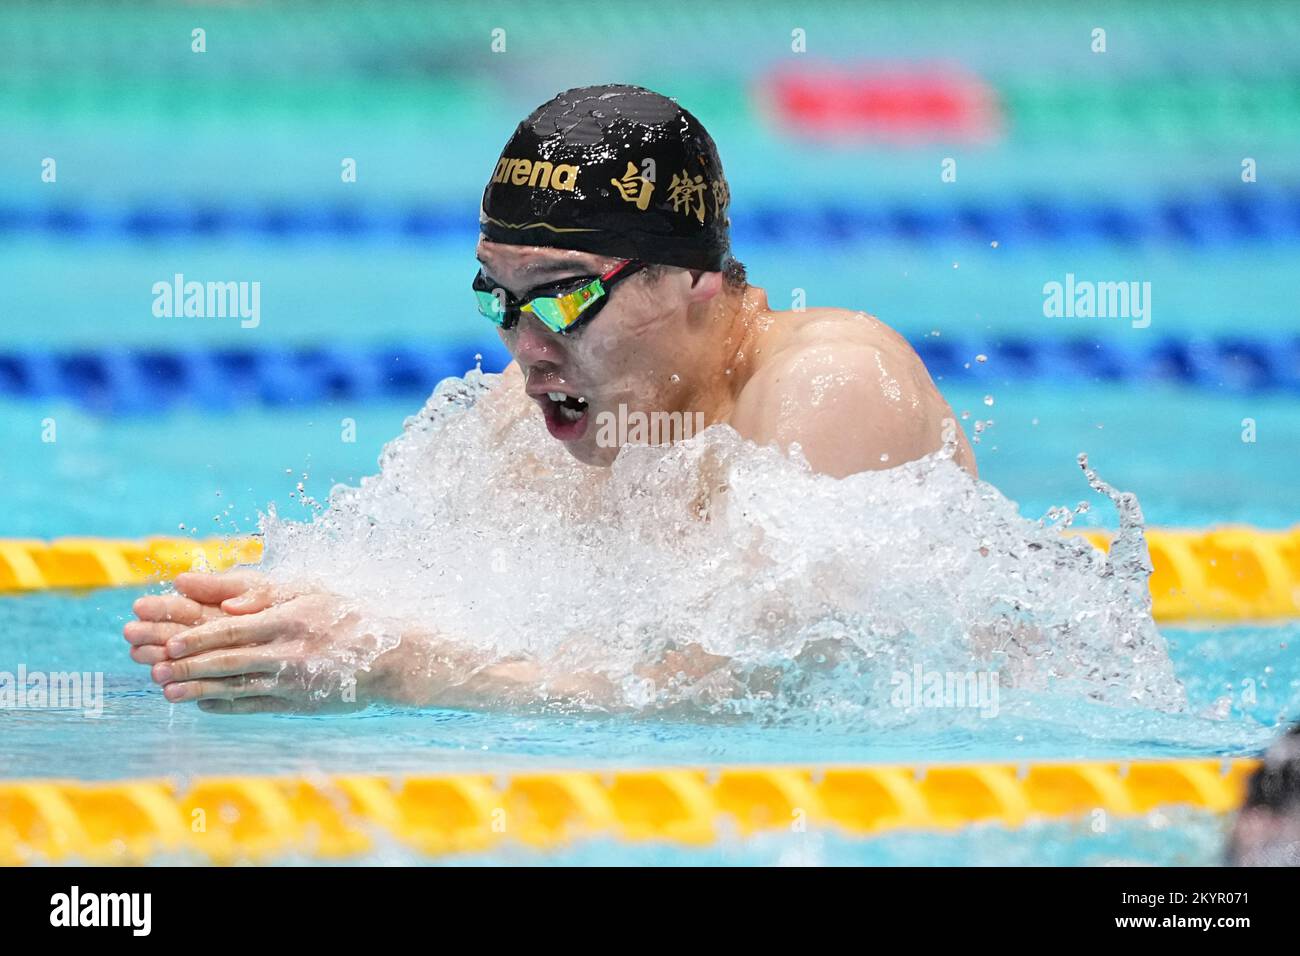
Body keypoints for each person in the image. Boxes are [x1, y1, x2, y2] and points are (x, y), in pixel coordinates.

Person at [123, 84, 975, 713]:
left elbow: (747, 691)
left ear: (695, 281)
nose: (528, 349)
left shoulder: (832, 390)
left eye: (564, 297)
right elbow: (463, 596)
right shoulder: (544, 409)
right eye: (497, 297)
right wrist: (284, 628)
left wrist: (395, 669)